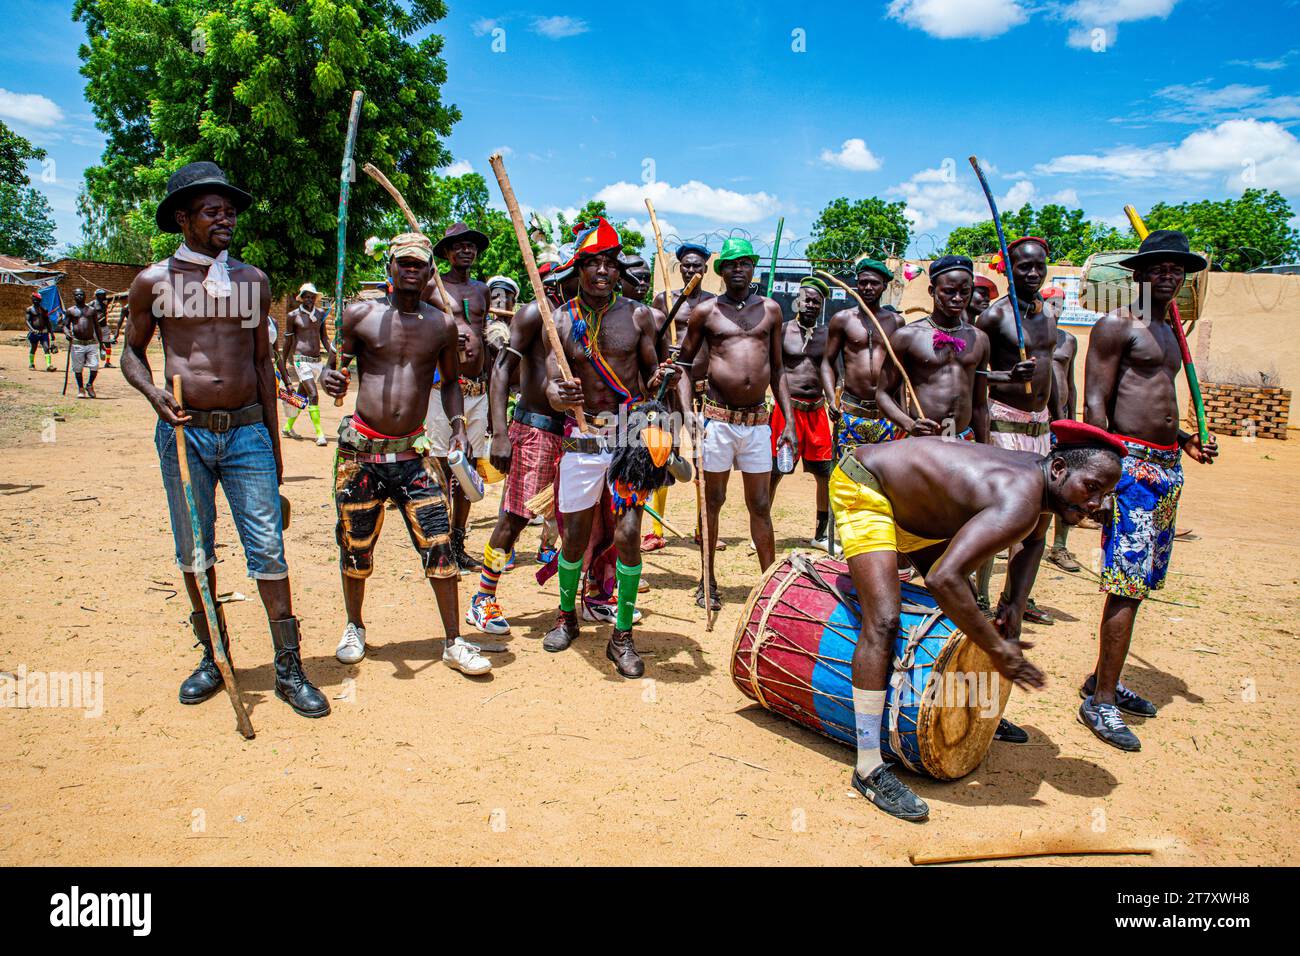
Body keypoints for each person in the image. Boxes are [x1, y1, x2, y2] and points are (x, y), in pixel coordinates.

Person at [829, 421, 1125, 819]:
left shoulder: (1041, 493)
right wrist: (998, 648)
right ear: (1058, 470)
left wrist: (1014, 606)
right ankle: (867, 767)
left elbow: (1034, 540)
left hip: (919, 511)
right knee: (883, 619)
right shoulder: (1021, 498)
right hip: (868, 487)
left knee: (970, 608)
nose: (1097, 504)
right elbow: (942, 578)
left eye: (1106, 494)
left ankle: (971, 708)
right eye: (1092, 488)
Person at [121, 160, 328, 719]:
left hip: (246, 434)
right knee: (195, 549)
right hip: (184, 435)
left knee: (267, 547)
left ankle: (289, 668)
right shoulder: (154, 283)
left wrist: (274, 452)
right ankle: (215, 658)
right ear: (183, 218)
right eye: (213, 210)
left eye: (230, 210)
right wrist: (153, 394)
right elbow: (131, 353)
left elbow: (263, 363)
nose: (226, 218)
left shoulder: (252, 281)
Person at [319, 232, 490, 677]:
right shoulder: (360, 315)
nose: (411, 269)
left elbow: (450, 382)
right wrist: (328, 379)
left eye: (420, 263)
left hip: (414, 452)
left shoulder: (440, 325)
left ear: (430, 271)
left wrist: (456, 428)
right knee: (355, 546)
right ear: (390, 269)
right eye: (404, 262)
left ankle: (454, 641)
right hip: (361, 452)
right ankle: (354, 626)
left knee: (440, 546)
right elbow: (334, 364)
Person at [1081, 229, 1218, 751]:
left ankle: (1103, 680)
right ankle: (1101, 702)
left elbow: (1157, 399)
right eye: (1158, 267)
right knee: (1126, 585)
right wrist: (1102, 479)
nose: (1169, 275)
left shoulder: (1171, 332)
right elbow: (1096, 407)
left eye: (1177, 268)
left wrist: (1184, 440)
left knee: (1142, 584)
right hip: (1130, 469)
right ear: (1137, 274)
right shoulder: (1117, 326)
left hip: (1166, 467)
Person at [540, 217, 670, 678]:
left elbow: (653, 377)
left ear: (619, 271)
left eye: (609, 264)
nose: (601, 272)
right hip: (580, 439)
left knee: (629, 534)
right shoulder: (557, 321)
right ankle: (565, 616)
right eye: (592, 263)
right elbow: (547, 383)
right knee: (574, 537)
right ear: (578, 268)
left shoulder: (639, 316)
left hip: (629, 441)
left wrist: (660, 383)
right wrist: (559, 395)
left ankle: (622, 636)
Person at [675, 237, 796, 610]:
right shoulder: (706, 312)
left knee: (760, 504)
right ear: (721, 270)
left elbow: (778, 370)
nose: (739, 269)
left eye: (745, 262)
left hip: (759, 421)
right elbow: (681, 365)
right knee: (713, 501)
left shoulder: (771, 311)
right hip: (716, 418)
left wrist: (788, 421)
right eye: (732, 264)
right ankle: (707, 580)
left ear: (753, 267)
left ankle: (770, 588)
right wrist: (687, 414)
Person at [467, 272, 570, 637]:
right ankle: (483, 598)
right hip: (536, 428)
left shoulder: (587, 319)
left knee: (580, 520)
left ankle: (587, 597)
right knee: (515, 517)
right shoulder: (533, 315)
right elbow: (501, 371)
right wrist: (499, 435)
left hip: (576, 432)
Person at [975, 236, 1060, 624]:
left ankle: (1016, 601)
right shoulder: (994, 318)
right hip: (1004, 421)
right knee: (1002, 515)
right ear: (1007, 269)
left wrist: (1059, 422)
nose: (1032, 272)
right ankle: (980, 597)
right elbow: (973, 374)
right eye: (1023, 266)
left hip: (1039, 426)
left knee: (1038, 519)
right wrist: (1005, 376)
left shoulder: (1047, 316)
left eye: (1038, 265)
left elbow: (1052, 375)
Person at [423, 222, 492, 572]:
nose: (466, 251)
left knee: (468, 470)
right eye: (458, 246)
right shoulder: (432, 288)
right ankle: (438, 544)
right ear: (446, 253)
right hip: (442, 389)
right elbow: (415, 330)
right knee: (442, 466)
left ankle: (458, 540)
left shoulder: (482, 290)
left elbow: (486, 338)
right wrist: (444, 343)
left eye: (471, 246)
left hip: (477, 389)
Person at [648, 241, 718, 553]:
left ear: (705, 269)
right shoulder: (663, 300)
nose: (691, 270)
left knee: (703, 456)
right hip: (668, 390)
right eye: (686, 266)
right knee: (665, 452)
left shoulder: (714, 304)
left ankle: (703, 527)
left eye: (697, 265)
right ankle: (656, 530)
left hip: (703, 390)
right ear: (680, 269)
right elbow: (652, 339)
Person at [877, 256, 990, 444]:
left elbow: (979, 405)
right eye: (948, 291)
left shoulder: (979, 339)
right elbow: (882, 393)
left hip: (964, 441)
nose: (957, 298)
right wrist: (909, 425)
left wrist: (985, 449)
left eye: (965, 292)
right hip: (921, 442)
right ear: (932, 291)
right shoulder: (907, 336)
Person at [769, 276, 835, 549]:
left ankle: (820, 534)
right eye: (806, 299)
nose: (810, 305)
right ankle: (761, 528)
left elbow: (832, 370)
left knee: (825, 474)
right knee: (775, 471)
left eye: (816, 302)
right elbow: (774, 369)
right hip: (787, 412)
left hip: (817, 412)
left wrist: (834, 400)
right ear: (797, 300)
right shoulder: (782, 331)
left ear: (821, 307)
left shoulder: (827, 335)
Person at [821, 258, 905, 451]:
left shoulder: (896, 322)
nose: (868, 287)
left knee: (885, 476)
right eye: (863, 282)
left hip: (887, 413)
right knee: (846, 475)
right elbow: (827, 362)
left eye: (874, 283)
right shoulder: (843, 319)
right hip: (851, 411)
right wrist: (831, 398)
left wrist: (903, 412)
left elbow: (900, 371)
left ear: (884, 286)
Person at [1046, 300, 1081, 573]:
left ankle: (1059, 546)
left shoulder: (1069, 340)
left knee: (1067, 484)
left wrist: (1073, 419)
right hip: (1034, 419)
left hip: (1062, 419)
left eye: (1059, 304)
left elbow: (1070, 382)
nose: (1055, 309)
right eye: (1050, 303)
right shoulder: (1031, 334)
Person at [280, 282, 336, 446]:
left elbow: (324, 337)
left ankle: (287, 427)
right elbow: (288, 340)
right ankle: (320, 434)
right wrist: (281, 362)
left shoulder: (320, 314)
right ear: (301, 298)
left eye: (312, 297)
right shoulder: (293, 316)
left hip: (316, 361)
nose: (310, 299)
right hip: (300, 359)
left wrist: (332, 352)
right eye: (307, 296)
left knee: (301, 396)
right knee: (313, 394)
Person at [63, 288, 106, 399]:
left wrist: (101, 343)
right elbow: (65, 325)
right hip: (77, 343)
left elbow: (97, 327)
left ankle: (90, 384)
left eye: (81, 295)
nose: (79, 297)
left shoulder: (91, 310)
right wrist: (67, 333)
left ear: (85, 296)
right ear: (74, 297)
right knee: (78, 368)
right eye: (77, 295)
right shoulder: (70, 311)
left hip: (91, 343)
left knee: (95, 365)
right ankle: (81, 388)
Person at [25, 291, 54, 372]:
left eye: (37, 299)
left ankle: (49, 365)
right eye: (34, 299)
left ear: (40, 300)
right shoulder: (29, 309)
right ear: (32, 299)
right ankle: (31, 364)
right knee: (33, 348)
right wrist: (32, 329)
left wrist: (51, 333)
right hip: (34, 332)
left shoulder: (44, 310)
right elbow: (27, 321)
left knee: (46, 348)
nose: (36, 301)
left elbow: (47, 322)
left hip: (44, 332)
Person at [90, 289, 114, 367]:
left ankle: (107, 362)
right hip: (95, 328)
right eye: (101, 295)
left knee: (108, 344)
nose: (103, 296)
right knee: (93, 345)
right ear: (97, 295)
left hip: (104, 327)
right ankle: (93, 362)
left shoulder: (104, 303)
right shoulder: (92, 304)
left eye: (103, 294)